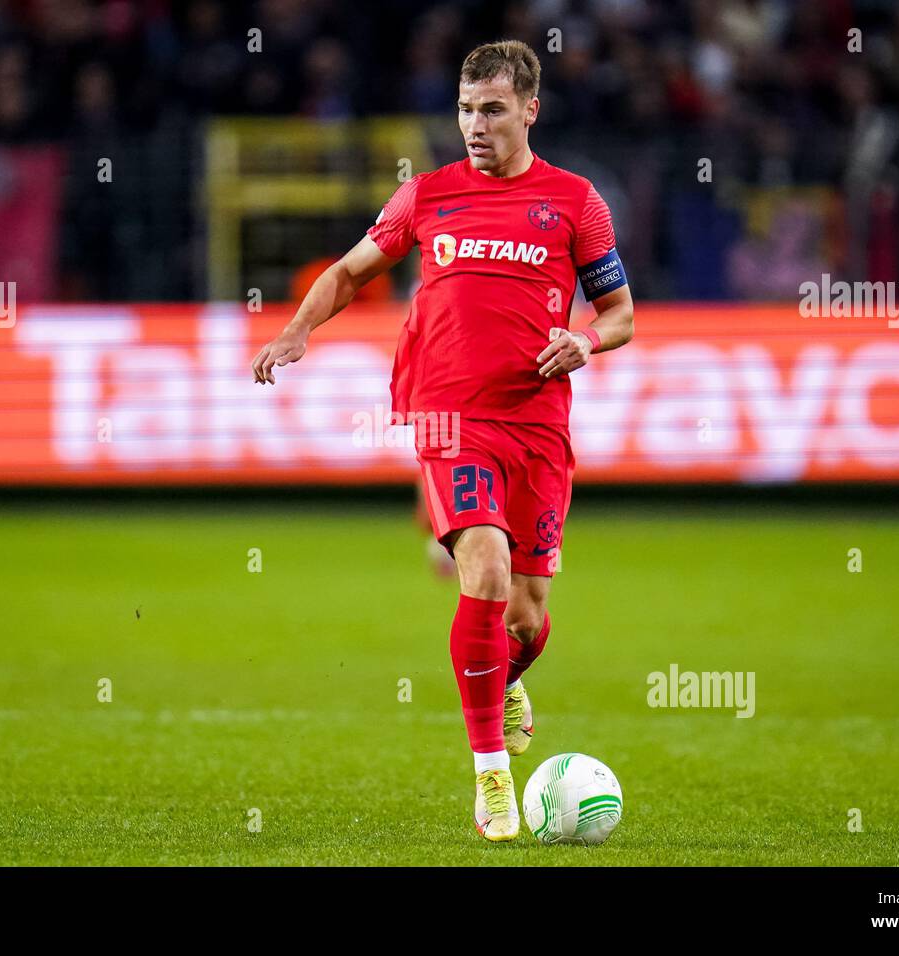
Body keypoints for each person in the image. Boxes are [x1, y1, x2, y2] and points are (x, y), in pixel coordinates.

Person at [251, 39, 634, 842]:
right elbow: (350, 272)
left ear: (531, 109)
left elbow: (620, 314)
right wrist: (296, 331)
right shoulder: (426, 196)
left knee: (528, 616)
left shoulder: (575, 202)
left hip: (537, 422)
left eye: (492, 109)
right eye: (465, 109)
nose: (474, 125)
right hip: (448, 415)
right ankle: (491, 776)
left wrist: (586, 343)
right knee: (485, 569)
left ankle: (506, 682)